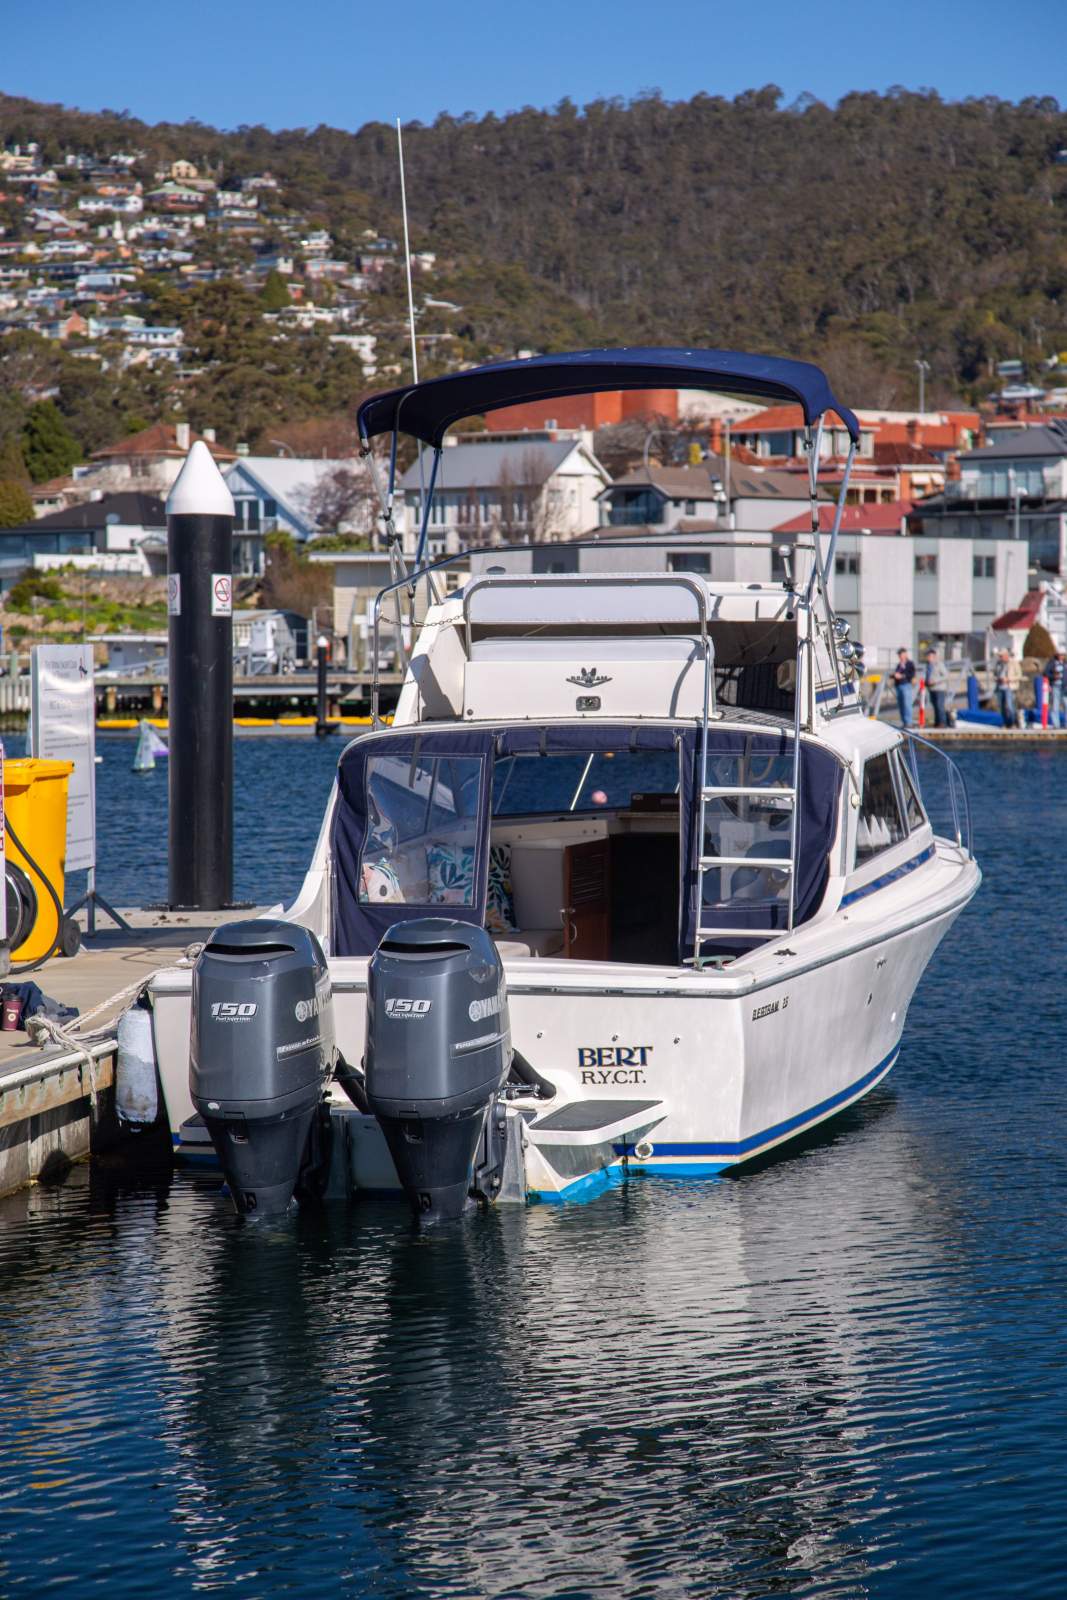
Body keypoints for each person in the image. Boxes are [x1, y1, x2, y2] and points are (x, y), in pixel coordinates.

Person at [924, 650, 950, 728]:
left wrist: (935, 681)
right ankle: (937, 722)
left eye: (930, 656)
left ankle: (943, 723)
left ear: (934, 657)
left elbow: (946, 675)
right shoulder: (928, 665)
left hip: (940, 689)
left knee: (940, 705)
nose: (928, 658)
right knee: (935, 706)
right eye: (927, 656)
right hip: (932, 689)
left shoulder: (939, 664)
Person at [892, 647, 916, 728]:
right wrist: (894, 676)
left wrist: (902, 676)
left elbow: (912, 674)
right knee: (901, 705)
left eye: (901, 654)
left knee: (907, 704)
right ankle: (904, 722)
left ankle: (909, 722)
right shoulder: (899, 665)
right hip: (898, 686)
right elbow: (896, 674)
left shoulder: (910, 663)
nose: (900, 656)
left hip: (906, 685)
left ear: (905, 654)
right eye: (899, 655)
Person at [993, 649, 1016, 728]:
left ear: (1006, 655)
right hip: (1000, 687)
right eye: (999, 656)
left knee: (1010, 706)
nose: (1000, 657)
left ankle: (1013, 723)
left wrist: (1009, 679)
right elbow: (995, 674)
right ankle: (1005, 723)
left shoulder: (1013, 663)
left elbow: (1019, 675)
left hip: (1009, 687)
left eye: (1001, 656)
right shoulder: (998, 664)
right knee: (1001, 707)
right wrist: (997, 678)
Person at [1044, 649, 1066, 729]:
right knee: (1055, 706)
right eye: (1060, 655)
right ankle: (1056, 725)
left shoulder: (1065, 663)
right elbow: (1046, 673)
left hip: (1065, 687)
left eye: (1063, 655)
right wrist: (1054, 676)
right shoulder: (1052, 663)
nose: (1061, 656)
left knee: (1066, 704)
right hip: (1055, 686)